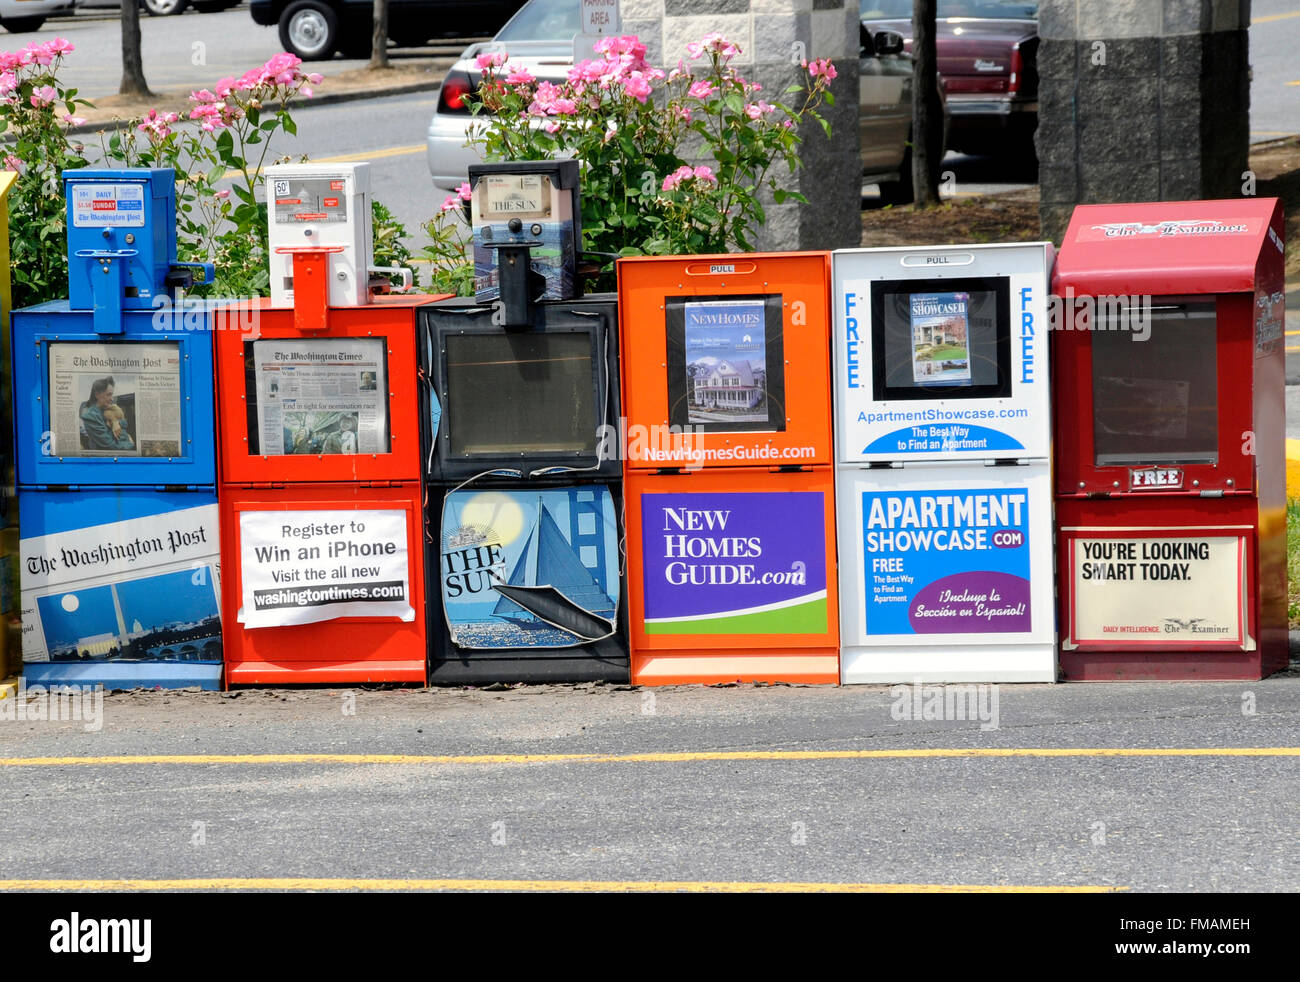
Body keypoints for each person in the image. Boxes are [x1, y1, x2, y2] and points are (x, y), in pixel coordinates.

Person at [80, 377, 134, 451]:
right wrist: (129, 444)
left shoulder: (107, 407)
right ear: (97, 395)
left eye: (112, 395)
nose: (112, 399)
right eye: (108, 395)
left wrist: (116, 422)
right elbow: (109, 445)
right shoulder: (91, 416)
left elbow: (125, 422)